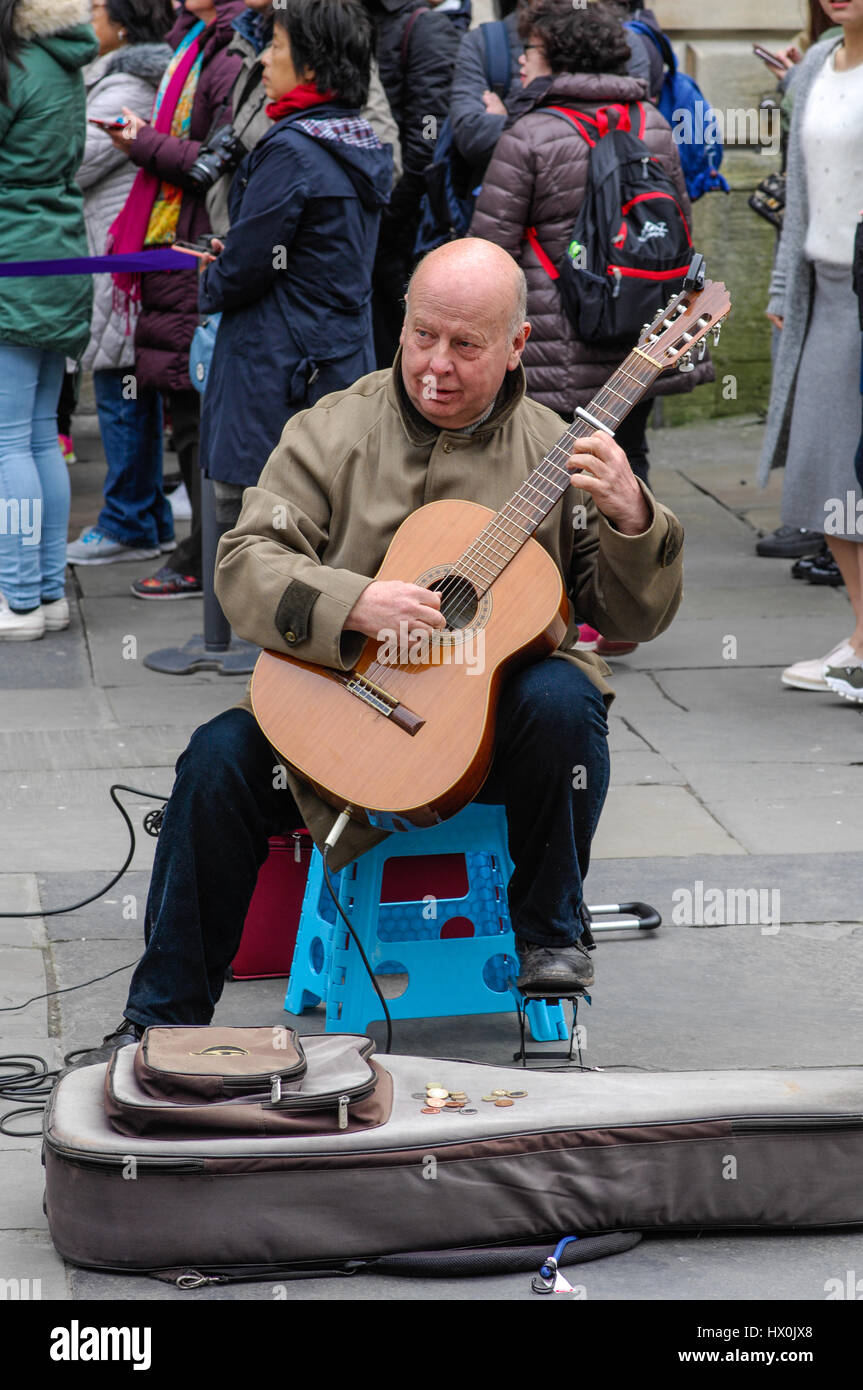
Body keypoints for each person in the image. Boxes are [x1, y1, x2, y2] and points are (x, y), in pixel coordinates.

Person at [73, 237, 684, 1059]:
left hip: (483, 743)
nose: (436, 365)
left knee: (565, 699)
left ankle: (550, 942)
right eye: (421, 334)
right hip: (336, 716)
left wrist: (631, 518)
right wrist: (353, 602)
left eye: (466, 346)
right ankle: (160, 1021)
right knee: (215, 760)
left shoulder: (556, 450)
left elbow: (630, 613)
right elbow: (244, 563)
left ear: (514, 348)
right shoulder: (330, 431)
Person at [469, 0, 710, 485]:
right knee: (626, 461)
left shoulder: (529, 135)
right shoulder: (653, 123)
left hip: (557, 347)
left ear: (560, 54)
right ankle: (631, 554)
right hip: (640, 335)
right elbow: (680, 223)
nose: (520, 58)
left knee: (551, 476)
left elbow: (488, 255)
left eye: (530, 48)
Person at [197, 0, 392, 535]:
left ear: (311, 65)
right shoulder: (358, 140)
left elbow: (243, 268)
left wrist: (211, 274)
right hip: (333, 369)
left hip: (274, 374)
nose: (263, 60)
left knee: (251, 537)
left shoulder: (291, 152)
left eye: (277, 46)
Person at [99, 0, 245, 599]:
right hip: (173, 242)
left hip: (192, 243)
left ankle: (207, 559)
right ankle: (200, 552)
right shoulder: (191, 39)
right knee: (181, 405)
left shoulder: (228, 49)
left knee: (194, 406)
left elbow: (214, 161)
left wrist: (141, 141)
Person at [759, 0, 863, 698]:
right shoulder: (816, 67)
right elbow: (797, 193)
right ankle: (861, 635)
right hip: (823, 292)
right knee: (827, 481)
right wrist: (778, 287)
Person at [0, 0, 97, 641]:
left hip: (11, 258)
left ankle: (17, 599)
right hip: (59, 256)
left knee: (9, 441)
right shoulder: (63, 62)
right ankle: (46, 590)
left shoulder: (11, 67)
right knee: (37, 435)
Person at [67, 0, 175, 567]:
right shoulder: (130, 75)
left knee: (119, 386)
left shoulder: (125, 83)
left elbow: (71, 160)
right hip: (120, 249)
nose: (89, 22)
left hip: (115, 254)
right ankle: (149, 518)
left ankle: (127, 521)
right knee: (127, 384)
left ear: (123, 24)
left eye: (96, 12)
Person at [204, 0, 401, 242]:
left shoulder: (328, 37)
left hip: (282, 256)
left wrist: (298, 224)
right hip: (236, 241)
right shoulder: (247, 31)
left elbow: (382, 164)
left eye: (277, 47)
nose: (268, 58)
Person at [365, 0, 471, 366]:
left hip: (402, 230)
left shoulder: (424, 27)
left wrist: (387, 212)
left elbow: (429, 140)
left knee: (403, 350)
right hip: (376, 223)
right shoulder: (359, 18)